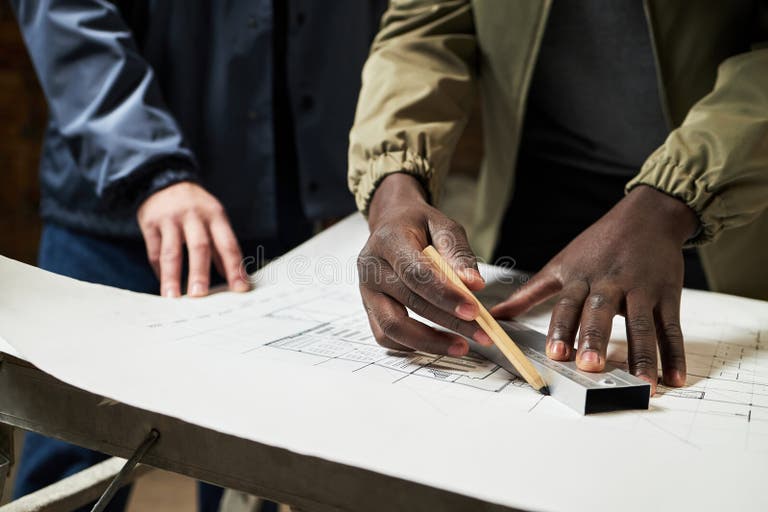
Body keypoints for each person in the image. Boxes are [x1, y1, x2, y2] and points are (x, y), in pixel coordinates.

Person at [10, 0, 386, 510]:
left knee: (256, 474)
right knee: (73, 467)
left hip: (288, 216)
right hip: (117, 211)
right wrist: (148, 166)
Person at [348, 1, 768, 395]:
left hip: (726, 216)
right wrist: (392, 183)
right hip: (527, 197)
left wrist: (671, 202)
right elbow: (421, 31)